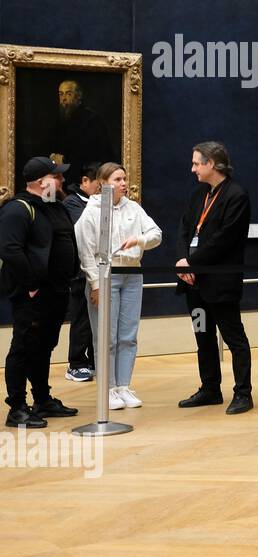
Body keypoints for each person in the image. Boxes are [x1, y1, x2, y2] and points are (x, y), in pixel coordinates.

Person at [0, 157, 81, 428]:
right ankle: (17, 407)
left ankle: (42, 399)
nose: (60, 181)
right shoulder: (18, 209)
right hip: (31, 292)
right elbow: (10, 250)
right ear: (40, 182)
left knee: (45, 345)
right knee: (23, 346)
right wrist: (32, 284)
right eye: (55, 176)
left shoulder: (56, 207)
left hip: (57, 290)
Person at [174, 141, 254, 414]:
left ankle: (243, 393)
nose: (193, 168)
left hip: (220, 283)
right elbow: (185, 229)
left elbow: (225, 240)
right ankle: (210, 388)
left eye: (197, 163)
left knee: (234, 338)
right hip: (194, 283)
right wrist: (183, 263)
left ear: (212, 164)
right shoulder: (199, 195)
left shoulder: (236, 196)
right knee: (202, 336)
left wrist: (191, 262)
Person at [74, 163, 162, 410]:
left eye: (125, 178)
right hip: (106, 277)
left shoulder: (133, 207)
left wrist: (140, 239)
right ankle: (108, 387)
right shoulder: (91, 212)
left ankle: (123, 385)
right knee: (106, 337)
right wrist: (94, 284)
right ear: (102, 183)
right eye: (118, 179)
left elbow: (156, 233)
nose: (124, 183)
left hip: (132, 274)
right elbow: (86, 251)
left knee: (128, 335)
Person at [63, 160, 102, 383]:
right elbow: (88, 231)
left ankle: (94, 360)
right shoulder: (72, 203)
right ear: (84, 181)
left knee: (96, 319)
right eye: (98, 183)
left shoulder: (98, 202)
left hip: (100, 270)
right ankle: (76, 363)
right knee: (82, 318)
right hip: (81, 271)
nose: (100, 188)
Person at [52, 80, 115, 187]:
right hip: (63, 175)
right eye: (61, 94)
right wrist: (53, 156)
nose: (64, 98)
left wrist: (64, 159)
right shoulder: (60, 120)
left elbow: (94, 154)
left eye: (68, 94)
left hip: (86, 178)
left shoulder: (92, 120)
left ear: (78, 97)